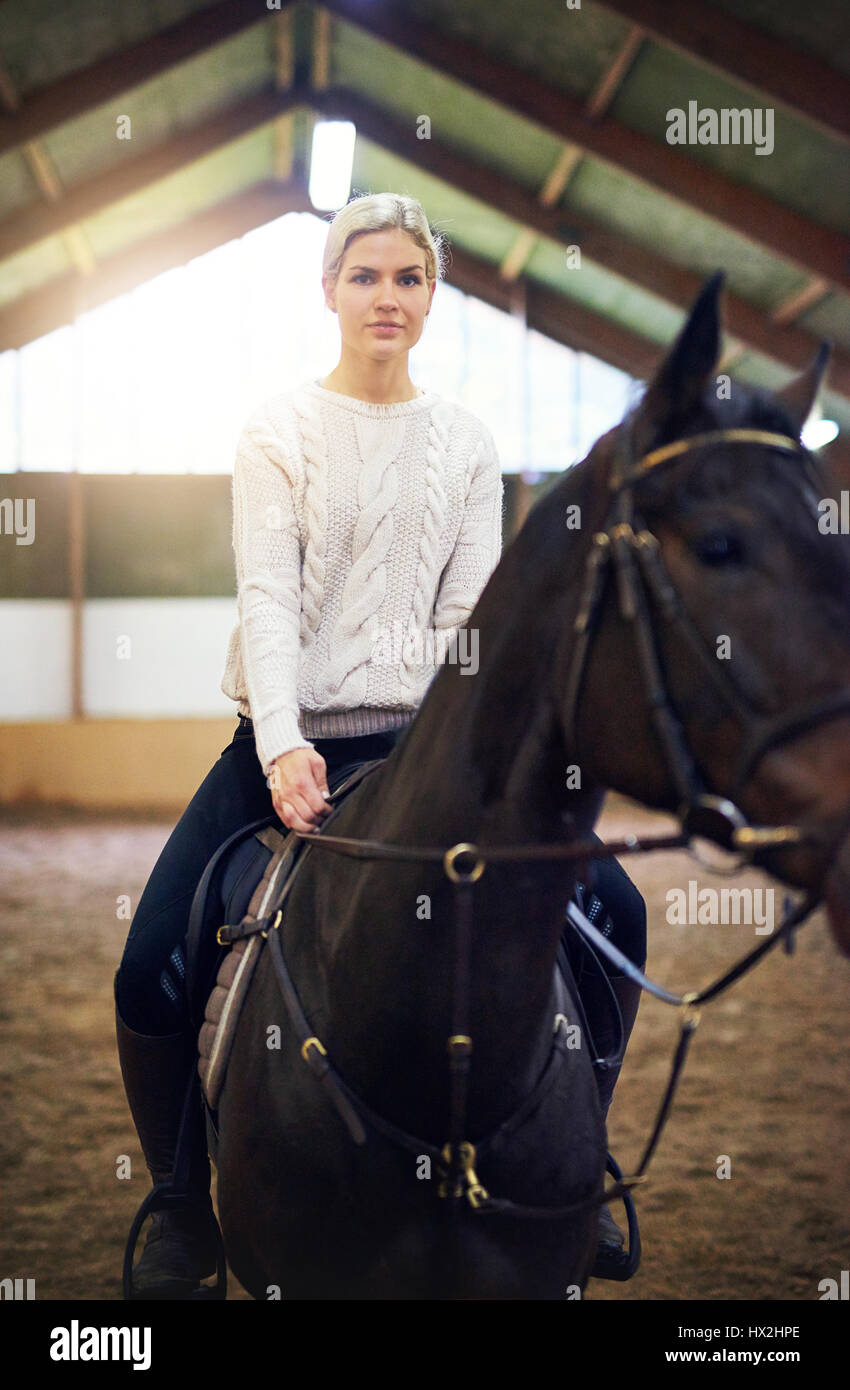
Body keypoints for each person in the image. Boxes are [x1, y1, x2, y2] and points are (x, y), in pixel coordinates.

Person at [114, 191, 644, 1298]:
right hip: (286, 740)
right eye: (366, 276)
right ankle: (178, 1201)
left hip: (429, 745)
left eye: (409, 278)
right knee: (151, 960)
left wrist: (468, 757)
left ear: (433, 295)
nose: (387, 297)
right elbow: (266, 596)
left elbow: (468, 626)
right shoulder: (278, 429)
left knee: (614, 913)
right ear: (328, 292)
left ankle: (575, 1160)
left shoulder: (466, 441)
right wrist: (281, 745)